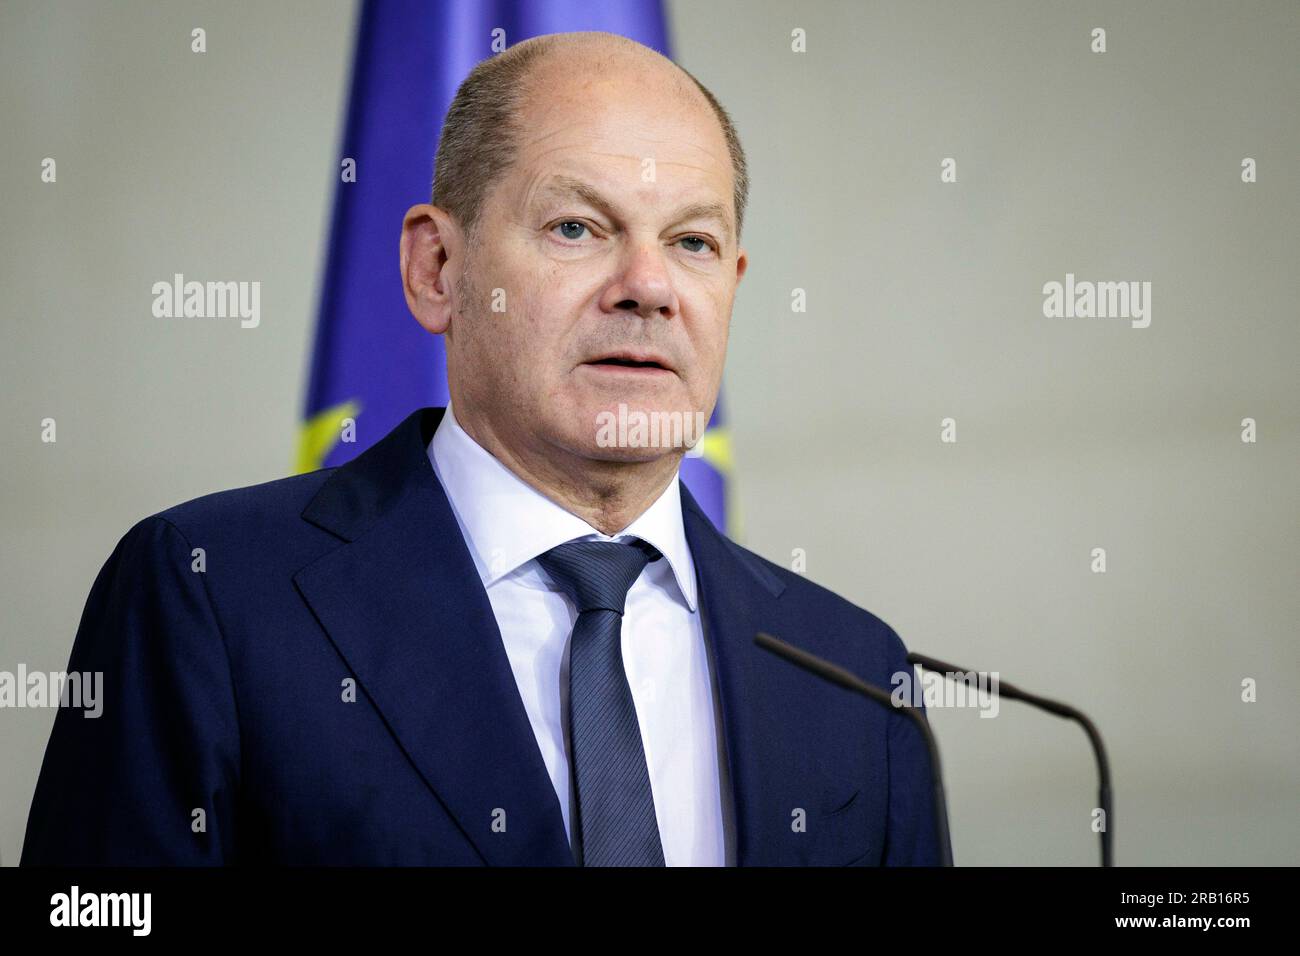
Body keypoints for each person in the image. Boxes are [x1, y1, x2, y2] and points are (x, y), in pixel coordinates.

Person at [22, 31, 948, 866]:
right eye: (577, 228)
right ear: (438, 270)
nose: (649, 286)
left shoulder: (856, 675)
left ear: (734, 287)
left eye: (693, 242)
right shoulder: (210, 598)